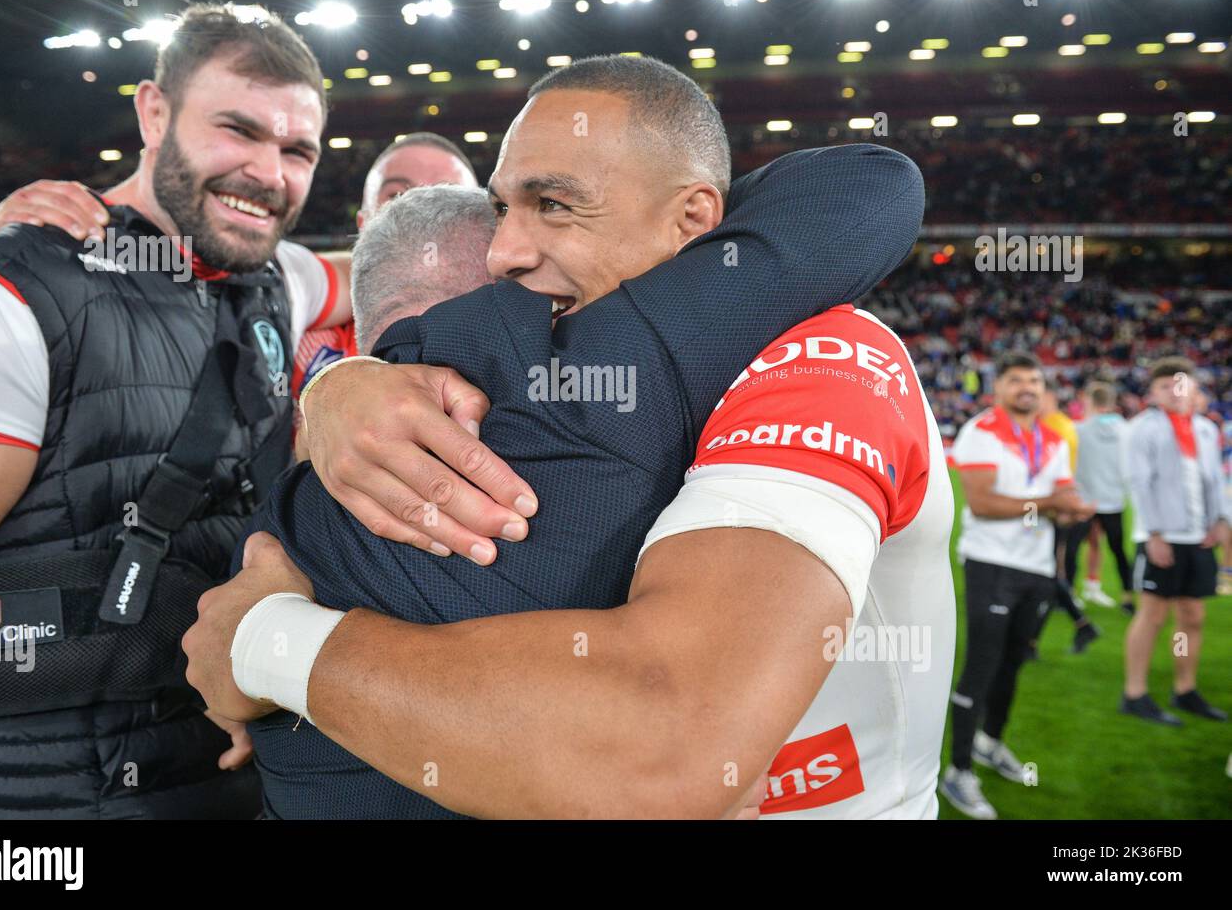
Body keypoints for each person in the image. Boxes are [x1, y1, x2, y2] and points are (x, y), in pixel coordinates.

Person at [183, 55, 955, 820]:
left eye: (554, 203)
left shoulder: (824, 358)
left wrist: (264, 638)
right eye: (503, 208)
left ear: (696, 220)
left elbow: (665, 746)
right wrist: (340, 384)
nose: (502, 251)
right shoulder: (544, 377)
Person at [0, 3, 350, 818]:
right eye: (238, 130)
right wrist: (175, 629)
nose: (269, 173)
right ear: (153, 113)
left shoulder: (274, 278)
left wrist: (353, 377)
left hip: (247, 789)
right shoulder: (3, 309)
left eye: (297, 149)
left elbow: (393, 261)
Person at [941, 352, 1095, 820]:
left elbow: (1062, 500)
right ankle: (958, 770)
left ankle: (991, 743)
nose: (1026, 387)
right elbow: (985, 504)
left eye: (1034, 379)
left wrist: (1070, 509)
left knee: (1014, 662)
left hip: (1037, 568)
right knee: (981, 665)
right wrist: (1050, 503)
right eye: (1016, 380)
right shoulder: (981, 432)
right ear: (999, 388)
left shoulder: (1052, 438)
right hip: (992, 563)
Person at [291, 132, 479, 399]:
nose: (418, 213)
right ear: (362, 225)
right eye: (398, 195)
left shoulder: (527, 336)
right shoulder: (306, 344)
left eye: (444, 197)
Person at [1120, 357, 1229, 725]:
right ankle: (1134, 693)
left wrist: (1219, 522)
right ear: (1153, 392)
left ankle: (1184, 689)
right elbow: (1140, 484)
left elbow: (1214, 480)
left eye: (1181, 384)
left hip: (1198, 538)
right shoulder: (1143, 429)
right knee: (1152, 615)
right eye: (1166, 385)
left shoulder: (1204, 430)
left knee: (1191, 616)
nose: (1175, 391)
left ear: (1194, 389)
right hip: (1161, 537)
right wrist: (1153, 534)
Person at [1038, 386, 1102, 653]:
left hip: (1055, 508)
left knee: (1045, 572)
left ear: (1051, 397)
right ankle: (1031, 641)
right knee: (1044, 572)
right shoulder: (1054, 425)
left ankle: (1082, 625)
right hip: (1052, 507)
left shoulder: (1058, 428)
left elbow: (1054, 471)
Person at [1064, 381, 1133, 609]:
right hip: (1114, 500)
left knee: (1072, 548)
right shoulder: (1128, 429)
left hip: (1084, 500)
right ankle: (1127, 597)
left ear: (1089, 401)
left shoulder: (1077, 429)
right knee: (1117, 550)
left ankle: (1068, 595)